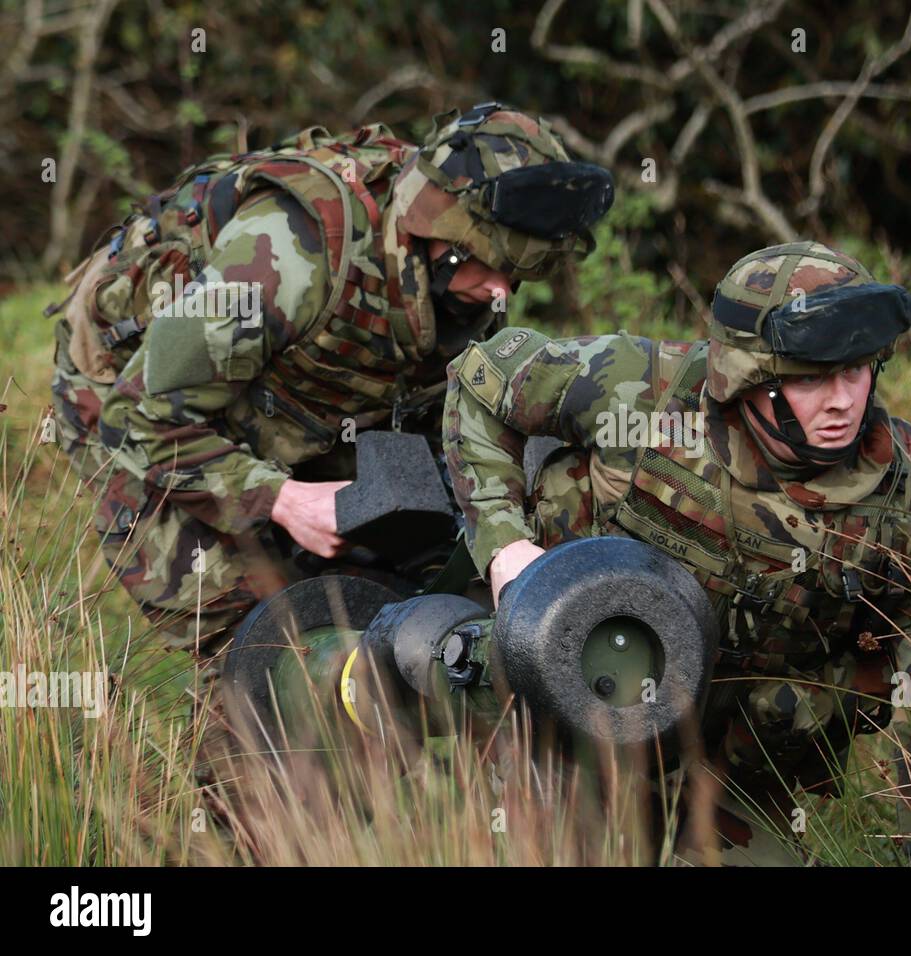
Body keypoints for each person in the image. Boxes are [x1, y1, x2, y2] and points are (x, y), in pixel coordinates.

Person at [46, 102, 614, 797]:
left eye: (518, 275)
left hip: (295, 405)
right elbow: (142, 417)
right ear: (442, 235)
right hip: (134, 407)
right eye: (493, 267)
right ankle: (236, 821)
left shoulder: (461, 284)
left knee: (397, 594)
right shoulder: (286, 256)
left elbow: (449, 409)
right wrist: (280, 500)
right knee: (265, 633)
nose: (502, 292)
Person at [443, 240, 911, 864]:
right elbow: (483, 378)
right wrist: (504, 546)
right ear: (747, 376)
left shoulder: (905, 518)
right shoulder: (642, 390)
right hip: (564, 707)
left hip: (726, 773)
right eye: (814, 377)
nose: (845, 400)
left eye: (856, 370)